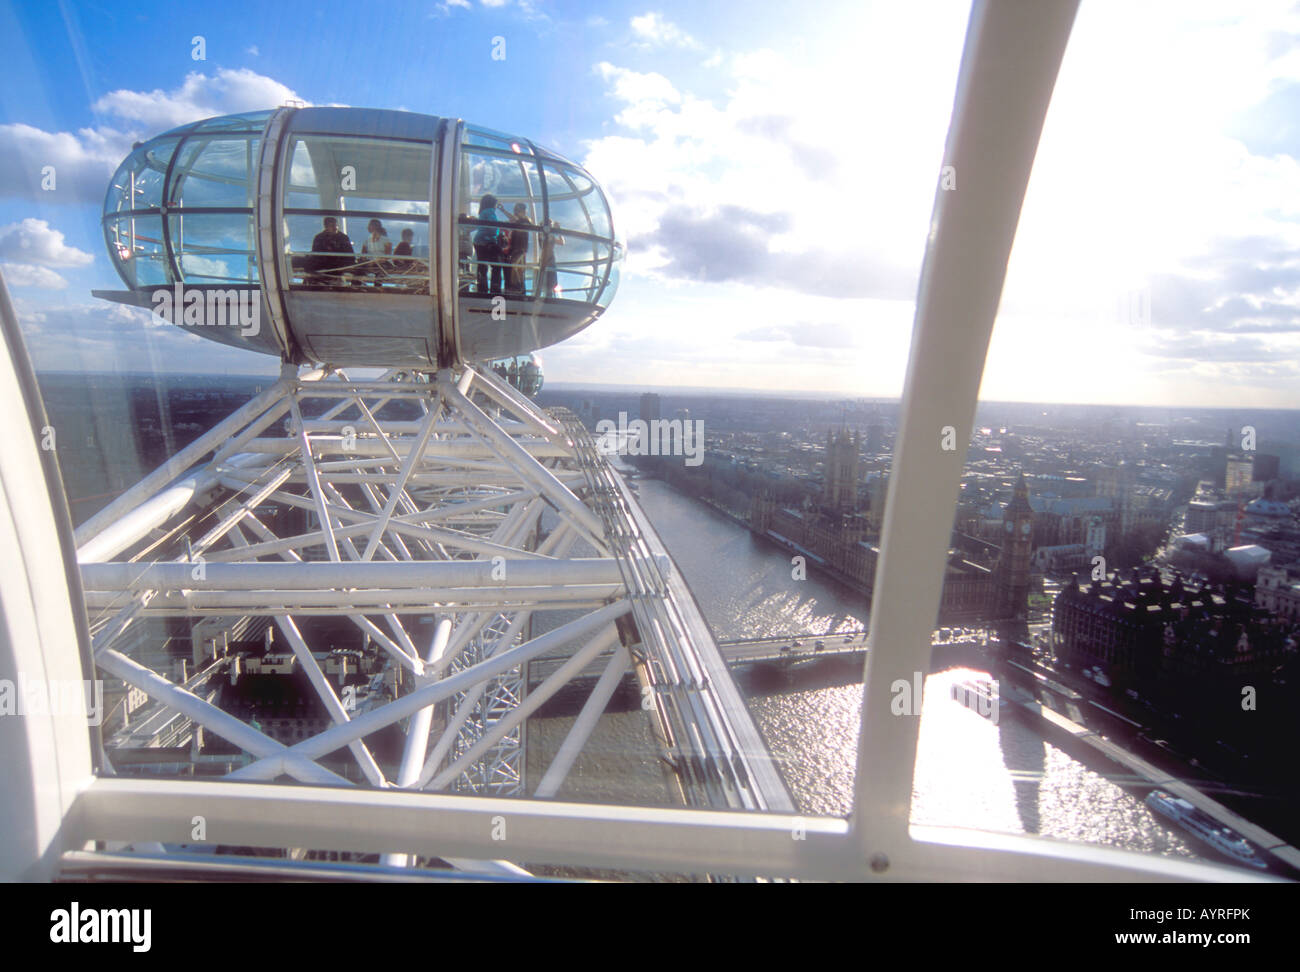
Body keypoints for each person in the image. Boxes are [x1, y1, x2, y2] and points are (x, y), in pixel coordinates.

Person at [473, 194, 506, 295]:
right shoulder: (490, 212)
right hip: (487, 241)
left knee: (482, 266)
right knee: (496, 266)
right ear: (492, 203)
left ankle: (482, 288)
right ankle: (495, 289)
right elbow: (493, 228)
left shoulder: (483, 212)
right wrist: (498, 234)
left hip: (478, 241)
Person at [306, 217, 355, 284]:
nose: (335, 228)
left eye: (336, 225)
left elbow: (350, 255)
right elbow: (316, 255)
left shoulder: (343, 237)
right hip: (323, 267)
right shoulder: (319, 238)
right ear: (326, 227)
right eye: (332, 226)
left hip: (339, 267)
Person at [506, 203, 534, 295]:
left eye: (518, 211)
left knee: (514, 265)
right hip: (518, 248)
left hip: (520, 248)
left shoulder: (524, 221)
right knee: (519, 269)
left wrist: (503, 210)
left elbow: (517, 222)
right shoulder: (521, 221)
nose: (517, 213)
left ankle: (517, 287)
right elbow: (514, 220)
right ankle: (522, 290)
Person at [538, 217, 565, 298]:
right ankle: (545, 296)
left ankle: (549, 295)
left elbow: (562, 242)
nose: (550, 225)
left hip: (551, 259)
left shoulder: (551, 236)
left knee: (551, 281)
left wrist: (559, 231)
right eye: (549, 224)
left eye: (551, 224)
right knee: (544, 279)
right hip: (544, 259)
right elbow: (543, 238)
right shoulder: (541, 234)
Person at [360, 219, 392, 287]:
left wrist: (375, 261)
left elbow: (387, 256)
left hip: (383, 263)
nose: (367, 227)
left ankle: (377, 289)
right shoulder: (367, 240)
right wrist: (367, 261)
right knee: (358, 269)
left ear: (375, 227)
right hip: (370, 263)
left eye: (369, 225)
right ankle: (355, 286)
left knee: (379, 272)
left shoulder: (386, 240)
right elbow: (362, 255)